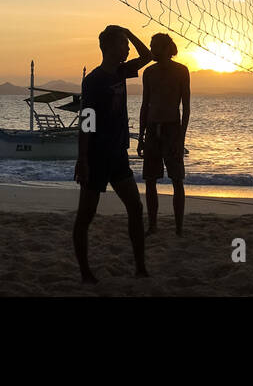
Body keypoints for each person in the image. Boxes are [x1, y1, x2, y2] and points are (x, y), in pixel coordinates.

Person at [73, 24, 153, 282]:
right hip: (96, 157)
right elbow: (86, 120)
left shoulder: (122, 71)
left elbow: (147, 56)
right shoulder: (94, 80)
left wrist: (128, 32)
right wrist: (82, 160)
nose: (127, 48)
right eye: (122, 44)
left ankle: (140, 267)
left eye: (126, 44)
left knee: (134, 206)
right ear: (109, 47)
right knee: (86, 216)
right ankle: (85, 272)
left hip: (118, 155)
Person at [138, 33, 190, 236]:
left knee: (177, 179)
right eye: (151, 46)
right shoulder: (149, 72)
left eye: (154, 46)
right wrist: (141, 136)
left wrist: (181, 138)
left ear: (167, 48)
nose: (151, 50)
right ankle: (152, 225)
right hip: (152, 129)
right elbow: (144, 105)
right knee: (150, 179)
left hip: (172, 129)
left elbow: (186, 108)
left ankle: (179, 228)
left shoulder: (182, 71)